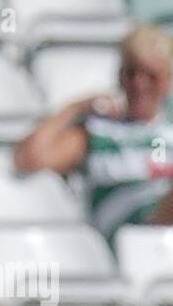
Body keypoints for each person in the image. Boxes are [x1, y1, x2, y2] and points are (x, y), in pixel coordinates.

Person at [14, 24, 173, 243]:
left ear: (167, 81)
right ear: (119, 76)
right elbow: (29, 158)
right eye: (131, 73)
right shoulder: (99, 134)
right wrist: (76, 107)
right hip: (127, 237)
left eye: (151, 76)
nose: (139, 84)